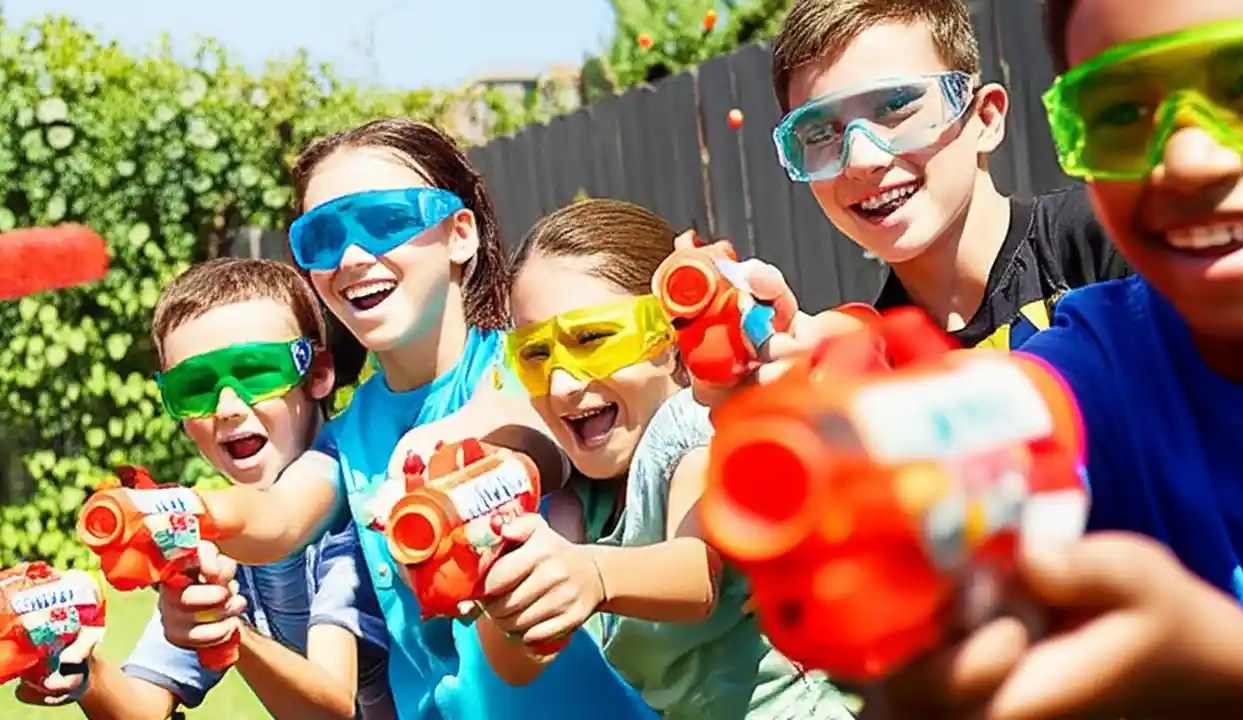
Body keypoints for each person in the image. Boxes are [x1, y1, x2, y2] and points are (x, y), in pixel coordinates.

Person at [728, 2, 1243, 718]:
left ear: (987, 116)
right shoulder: (1101, 356)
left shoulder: (1097, 256)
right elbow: (1020, 409)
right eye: (1120, 112)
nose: (1188, 158)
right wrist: (838, 428)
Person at [193, 119, 656, 719]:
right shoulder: (349, 435)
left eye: (386, 220)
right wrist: (187, 516)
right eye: (324, 236)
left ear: (460, 234)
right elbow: (276, 518)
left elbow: (528, 435)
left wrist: (445, 444)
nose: (353, 256)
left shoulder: (533, 366)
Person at [439, 198, 855, 718]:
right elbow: (520, 666)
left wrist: (594, 574)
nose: (564, 384)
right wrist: (496, 579)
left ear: (670, 338)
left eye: (593, 339)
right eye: (537, 354)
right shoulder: (580, 500)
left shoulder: (692, 427)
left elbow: (696, 571)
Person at [16, 257, 394, 719]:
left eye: (257, 372)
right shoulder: (218, 542)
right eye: (195, 387)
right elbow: (146, 706)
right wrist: (78, 666)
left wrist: (226, 628)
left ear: (317, 374)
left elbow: (331, 707)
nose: (228, 406)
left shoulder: (354, 495)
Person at [770, 0, 1129, 349]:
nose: (862, 159)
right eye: (819, 134)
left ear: (985, 119)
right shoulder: (877, 371)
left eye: (896, 106)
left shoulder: (1111, 243)